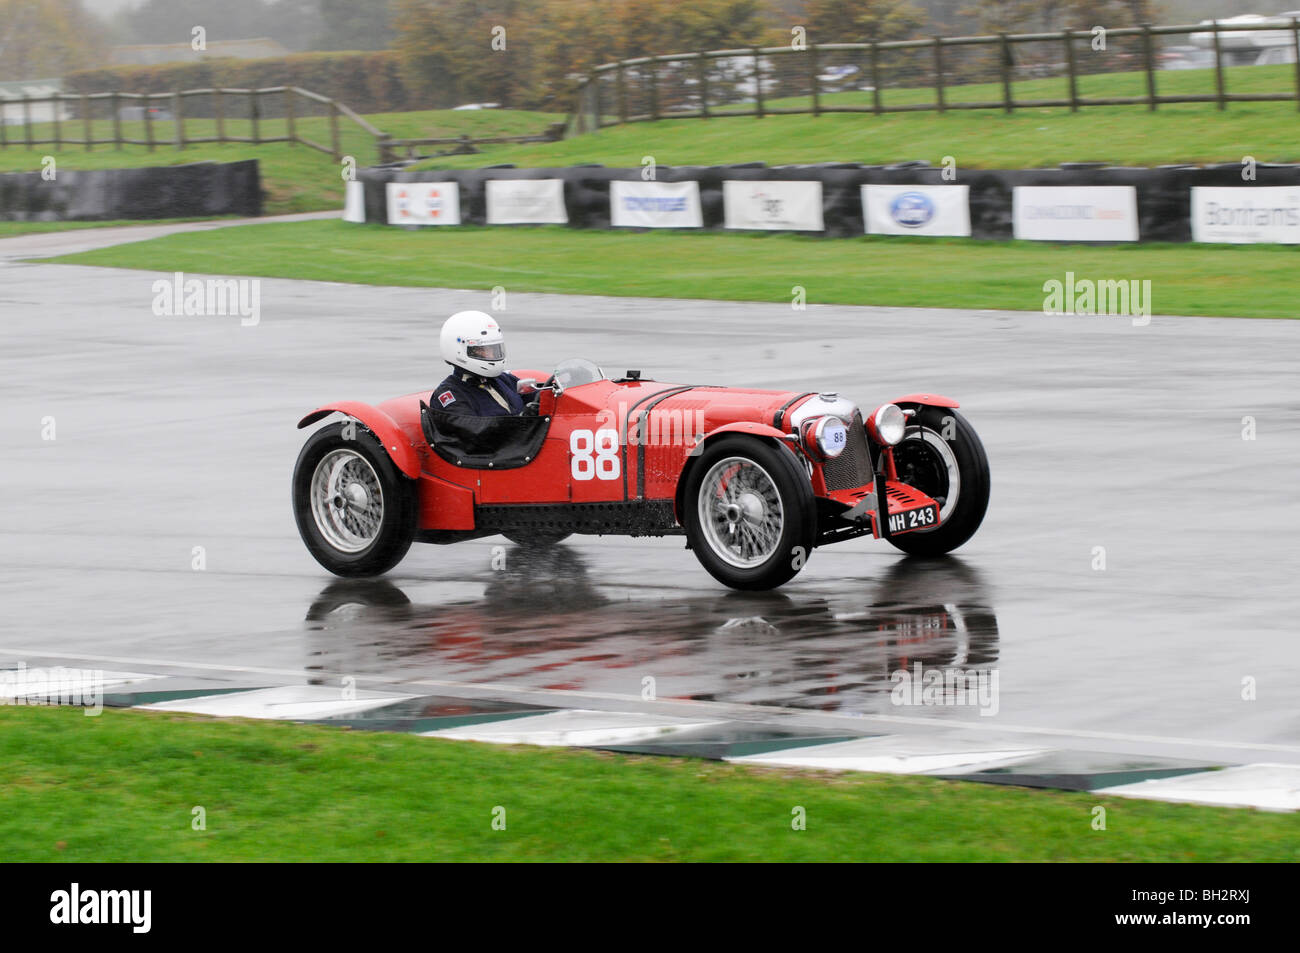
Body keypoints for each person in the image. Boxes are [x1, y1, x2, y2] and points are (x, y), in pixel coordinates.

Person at [431, 310, 526, 417]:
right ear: (458, 350)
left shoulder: (503, 380)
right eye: (482, 350)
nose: (491, 355)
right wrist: (524, 419)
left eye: (494, 349)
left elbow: (533, 396)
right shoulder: (450, 393)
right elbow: (471, 425)